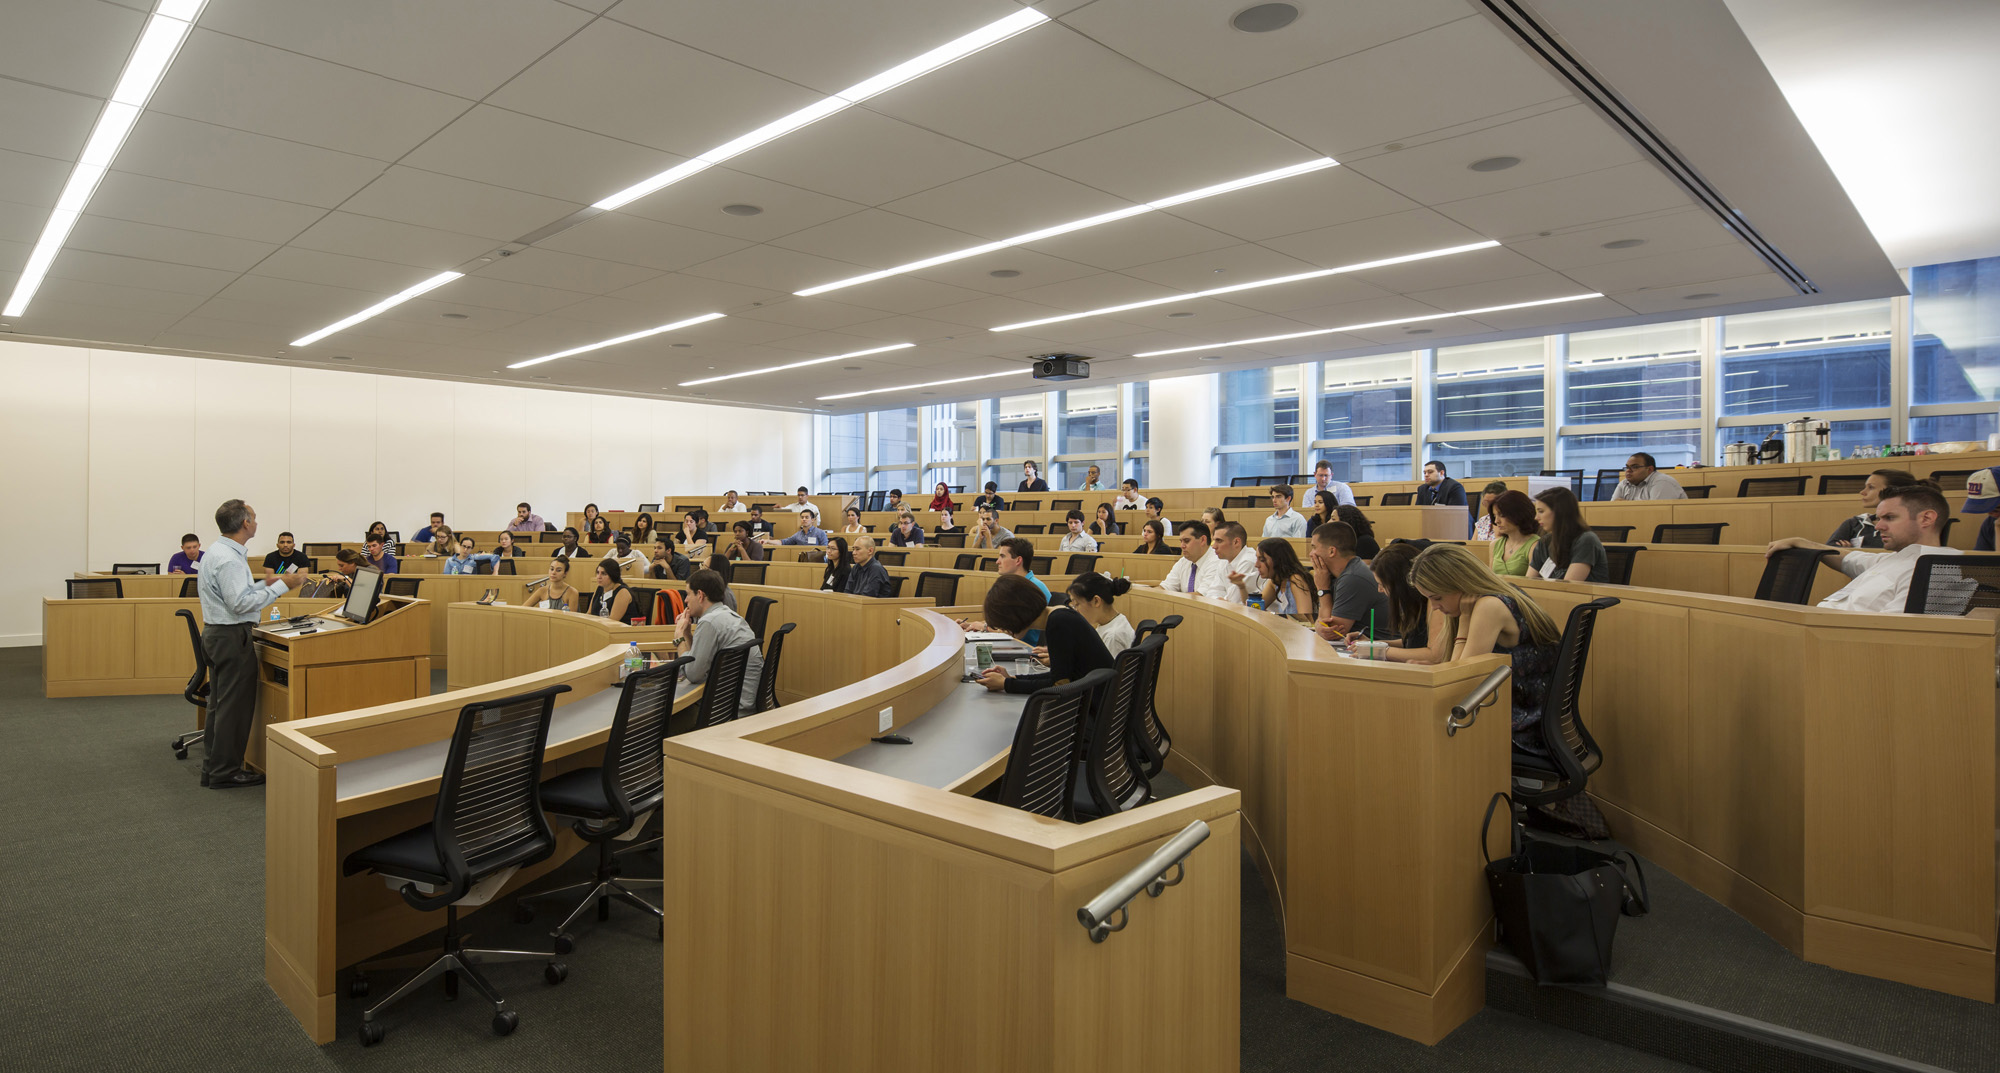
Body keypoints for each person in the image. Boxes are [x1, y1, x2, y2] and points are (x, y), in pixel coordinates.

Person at [1404, 543, 1562, 759]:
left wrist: (1465, 620)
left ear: (1461, 584)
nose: (1434, 607)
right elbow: (1457, 670)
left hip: (1522, 731)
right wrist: (1438, 668)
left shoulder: (1489, 606)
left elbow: (1459, 684)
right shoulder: (1504, 592)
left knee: (1414, 729)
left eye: (1437, 597)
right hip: (1529, 717)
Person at [194, 499, 300, 788]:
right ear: (245, 523)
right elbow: (239, 604)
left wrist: (267, 584)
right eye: (254, 517)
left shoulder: (221, 551)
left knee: (220, 706)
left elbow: (236, 593)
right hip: (231, 636)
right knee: (233, 709)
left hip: (220, 634)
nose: (256, 522)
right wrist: (282, 587)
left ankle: (214, 768)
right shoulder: (228, 558)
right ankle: (225, 772)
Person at [1767, 484, 1960, 613]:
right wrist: (1802, 542)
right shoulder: (1895, 560)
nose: (1878, 527)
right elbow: (1848, 559)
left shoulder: (1937, 571)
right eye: (1879, 518)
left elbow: (1895, 636)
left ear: (1926, 518)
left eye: (1890, 518)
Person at [976, 574, 1114, 695]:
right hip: (1099, 701)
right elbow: (1058, 676)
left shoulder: (1058, 622)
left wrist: (1006, 684)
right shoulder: (1059, 615)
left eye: (1004, 623)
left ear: (1015, 614)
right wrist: (1012, 679)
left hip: (1093, 708)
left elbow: (1059, 685)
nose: (1005, 629)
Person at [672, 569, 763, 714]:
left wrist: (679, 638)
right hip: (740, 703)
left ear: (700, 595)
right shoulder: (726, 614)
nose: (685, 600)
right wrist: (687, 633)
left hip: (726, 711)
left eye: (688, 594)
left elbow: (693, 674)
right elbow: (695, 662)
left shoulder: (710, 622)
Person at [1363, 542, 1447, 664]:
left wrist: (1381, 651)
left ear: (1399, 584)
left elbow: (1434, 654)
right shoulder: (1413, 604)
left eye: (1382, 585)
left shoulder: (1435, 602)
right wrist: (1373, 644)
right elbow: (1411, 643)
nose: (1379, 590)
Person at [1308, 521, 1393, 640]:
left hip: (1378, 650)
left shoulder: (1353, 577)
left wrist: (1322, 589)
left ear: (1332, 551)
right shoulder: (1342, 573)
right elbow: (1322, 625)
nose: (1311, 554)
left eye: (1314, 547)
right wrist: (1318, 625)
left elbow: (1332, 632)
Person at [1527, 487, 1608, 583]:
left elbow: (1568, 587)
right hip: (1552, 595)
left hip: (1582, 597)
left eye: (1541, 511)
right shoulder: (1544, 542)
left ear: (1559, 512)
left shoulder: (1586, 540)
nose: (1536, 518)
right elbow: (1529, 582)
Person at [1826, 468, 1921, 548]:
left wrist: (1852, 553)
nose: (1862, 492)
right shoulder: (1854, 523)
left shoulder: (1911, 524)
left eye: (1871, 487)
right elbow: (1829, 550)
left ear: (1893, 490)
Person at [1160, 520, 1232, 600]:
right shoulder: (1183, 561)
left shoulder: (1217, 561)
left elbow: (1201, 596)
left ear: (1202, 540)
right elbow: (1165, 587)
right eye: (1181, 541)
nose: (1182, 546)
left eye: (1186, 541)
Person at [1067, 572, 1134, 655]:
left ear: (1096, 601)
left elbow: (1106, 667)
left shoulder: (1113, 636)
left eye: (1077, 604)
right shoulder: (1113, 621)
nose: (1075, 610)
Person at [1254, 538, 1316, 619]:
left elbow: (1306, 619)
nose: (1256, 565)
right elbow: (1255, 608)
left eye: (1262, 560)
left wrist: (1273, 615)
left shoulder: (1296, 580)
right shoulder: (1274, 581)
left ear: (1278, 560)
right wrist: (1241, 587)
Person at [1488, 490, 1541, 577]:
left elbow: (1532, 584)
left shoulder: (1535, 545)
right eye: (1494, 516)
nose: (1496, 521)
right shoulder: (1495, 544)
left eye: (1502, 515)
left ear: (1518, 514)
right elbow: (1491, 579)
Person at [1213, 521, 1258, 604]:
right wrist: (1219, 600)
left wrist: (1222, 601)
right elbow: (1213, 591)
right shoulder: (1223, 560)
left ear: (1236, 542)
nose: (1214, 546)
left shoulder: (1249, 561)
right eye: (1214, 540)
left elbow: (1235, 601)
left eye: (1219, 541)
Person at [1609, 452, 1687, 501]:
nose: (1628, 470)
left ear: (1649, 469)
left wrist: (1627, 506)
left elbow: (1656, 512)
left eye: (1635, 467)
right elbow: (1612, 509)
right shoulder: (1624, 483)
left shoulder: (1662, 481)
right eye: (1627, 467)